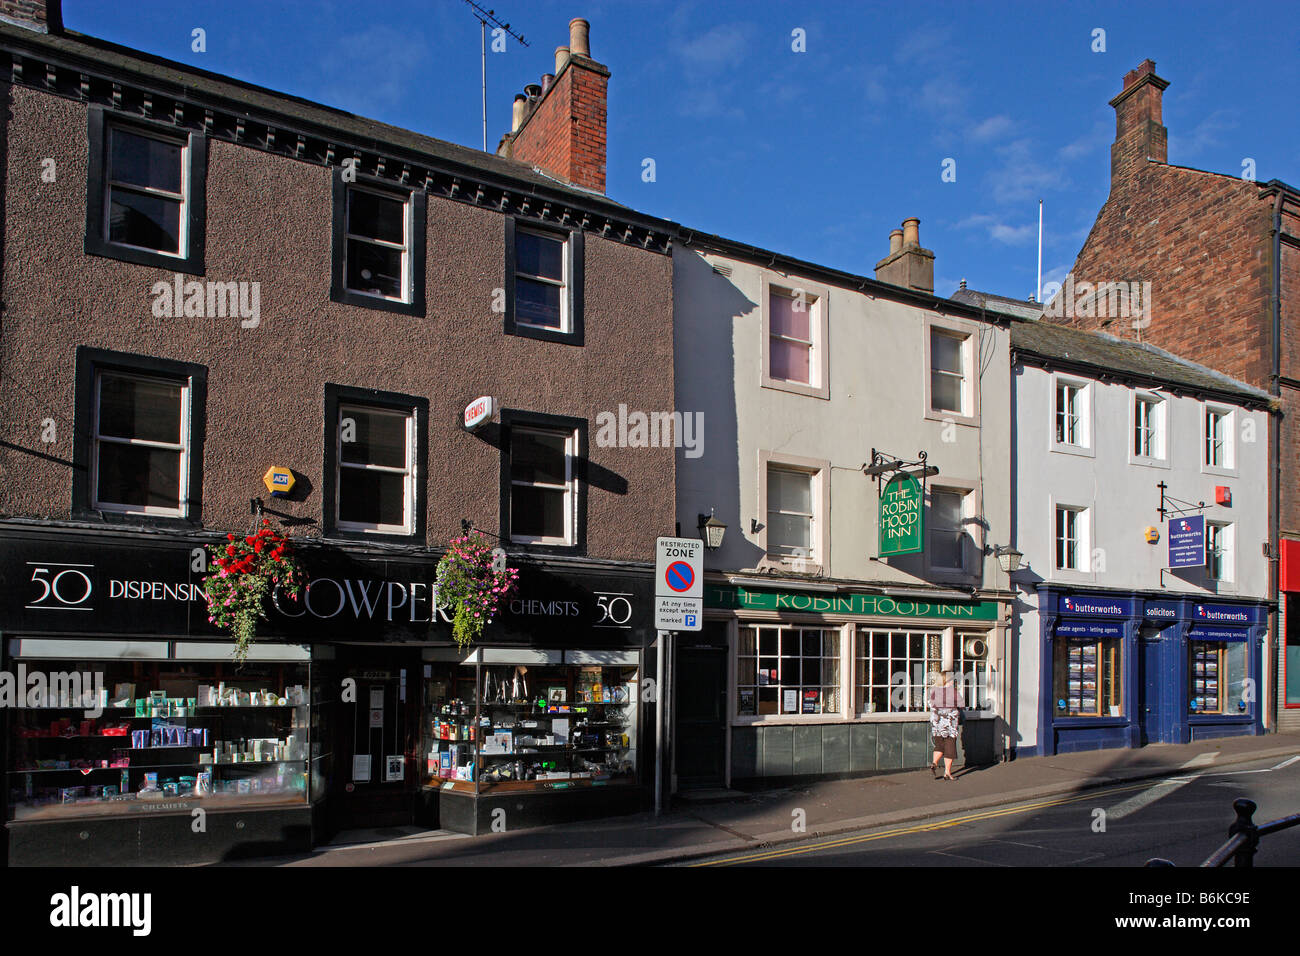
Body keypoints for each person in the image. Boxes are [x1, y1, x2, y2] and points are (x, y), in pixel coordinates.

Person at [927, 670, 962, 780]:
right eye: (952, 680)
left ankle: (934, 763)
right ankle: (947, 772)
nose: (953, 682)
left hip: (937, 725)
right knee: (950, 748)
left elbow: (931, 706)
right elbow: (960, 704)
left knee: (939, 746)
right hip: (950, 725)